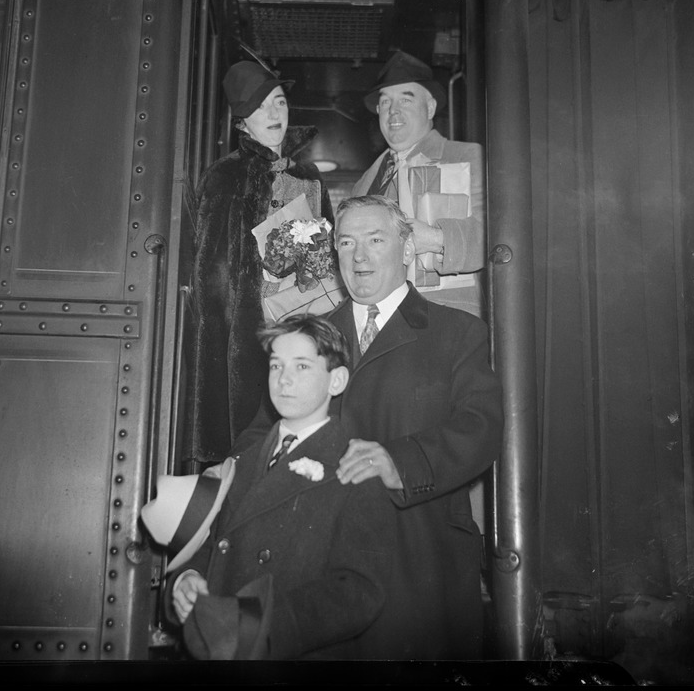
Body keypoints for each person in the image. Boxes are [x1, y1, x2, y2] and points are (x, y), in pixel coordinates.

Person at [327, 194, 504, 660]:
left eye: (375, 240)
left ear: (407, 250)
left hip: (419, 557)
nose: (358, 256)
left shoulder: (459, 333)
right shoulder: (311, 336)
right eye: (346, 243)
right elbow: (266, 431)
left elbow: (480, 427)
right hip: (324, 563)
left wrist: (400, 462)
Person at [164, 314, 395, 660]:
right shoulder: (239, 463)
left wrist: (263, 624)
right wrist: (185, 581)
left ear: (337, 380)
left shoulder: (353, 468)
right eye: (276, 366)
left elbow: (359, 592)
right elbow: (201, 543)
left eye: (302, 367)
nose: (284, 379)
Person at [187, 60, 334, 467]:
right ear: (241, 122)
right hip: (242, 337)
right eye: (261, 106)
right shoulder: (224, 176)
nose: (275, 114)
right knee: (245, 444)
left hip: (301, 324)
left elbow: (326, 264)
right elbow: (210, 274)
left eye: (281, 103)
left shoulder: (309, 175)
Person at [353, 50, 487, 319]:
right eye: (386, 102)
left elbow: (499, 239)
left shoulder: (467, 157)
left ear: (430, 108)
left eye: (406, 98)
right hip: (378, 323)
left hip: (446, 321)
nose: (394, 110)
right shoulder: (363, 184)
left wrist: (437, 238)